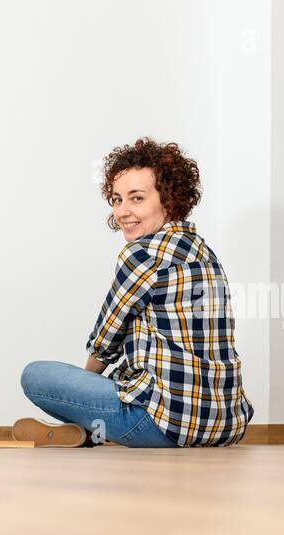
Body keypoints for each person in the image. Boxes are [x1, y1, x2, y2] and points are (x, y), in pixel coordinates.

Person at [15, 138, 254, 448]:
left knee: (35, 376)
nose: (123, 211)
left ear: (169, 200)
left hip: (164, 425)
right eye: (117, 199)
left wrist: (87, 386)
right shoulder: (205, 252)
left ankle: (92, 432)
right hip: (226, 425)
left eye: (137, 198)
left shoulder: (141, 254)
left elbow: (105, 341)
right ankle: (94, 434)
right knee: (124, 376)